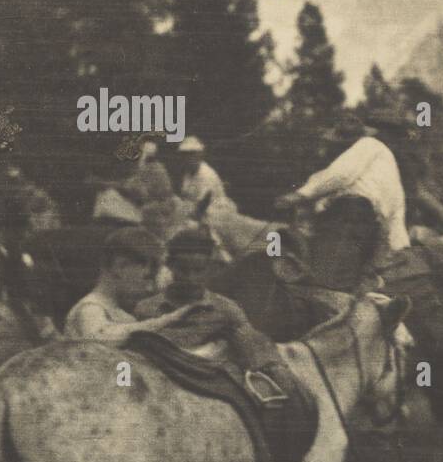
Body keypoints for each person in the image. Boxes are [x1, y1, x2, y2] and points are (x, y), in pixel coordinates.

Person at [135, 225, 290, 405]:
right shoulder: (147, 309)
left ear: (210, 268)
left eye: (198, 270)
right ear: (170, 265)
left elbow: (252, 341)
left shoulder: (225, 309)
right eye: (183, 270)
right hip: (160, 390)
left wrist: (274, 367)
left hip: (210, 389)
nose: (191, 278)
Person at [276, 114, 410, 266]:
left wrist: (300, 195)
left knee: (316, 260)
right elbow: (397, 213)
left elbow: (341, 175)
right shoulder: (390, 165)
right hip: (373, 230)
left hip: (351, 215)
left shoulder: (369, 144)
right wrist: (400, 246)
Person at [64, 227, 197, 342]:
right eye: (146, 278)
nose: (149, 288)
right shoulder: (90, 308)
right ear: (120, 267)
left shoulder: (121, 315)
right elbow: (99, 337)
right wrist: (165, 320)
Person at [174, 136, 228, 207]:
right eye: (184, 154)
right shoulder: (188, 172)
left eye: (191, 154)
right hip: (194, 209)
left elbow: (201, 207)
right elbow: (185, 196)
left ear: (199, 155)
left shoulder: (206, 174)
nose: (187, 158)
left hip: (214, 211)